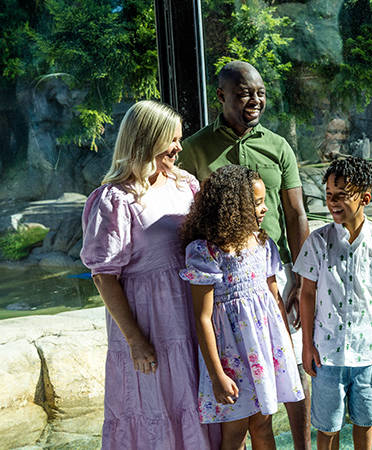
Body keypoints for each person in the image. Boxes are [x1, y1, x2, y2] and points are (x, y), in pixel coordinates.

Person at [180, 60, 311, 449]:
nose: (254, 101)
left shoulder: (278, 146)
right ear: (220, 96)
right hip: (223, 284)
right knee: (242, 415)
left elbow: (295, 212)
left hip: (269, 268)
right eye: (243, 94)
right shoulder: (195, 148)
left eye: (260, 94)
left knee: (286, 364)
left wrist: (301, 278)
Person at [80, 100, 216, 449]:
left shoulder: (185, 185)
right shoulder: (115, 198)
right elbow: (103, 276)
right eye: (172, 139)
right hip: (150, 322)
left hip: (190, 315)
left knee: (196, 404)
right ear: (148, 140)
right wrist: (136, 341)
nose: (179, 147)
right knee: (155, 407)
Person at [179, 165, 305, 449]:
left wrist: (285, 349)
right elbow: (203, 318)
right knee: (234, 432)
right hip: (230, 357)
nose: (265, 209)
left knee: (263, 425)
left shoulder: (263, 244)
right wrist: (216, 375)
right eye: (257, 203)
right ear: (233, 207)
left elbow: (274, 300)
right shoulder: (205, 251)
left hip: (263, 351)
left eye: (263, 201)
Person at [294, 157, 372, 450]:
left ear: (365, 198)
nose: (333, 202)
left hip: (367, 354)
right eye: (329, 195)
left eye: (341, 196)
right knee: (328, 428)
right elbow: (307, 293)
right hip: (327, 355)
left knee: (365, 423)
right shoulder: (317, 242)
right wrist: (306, 345)